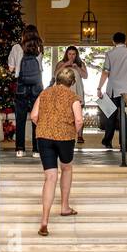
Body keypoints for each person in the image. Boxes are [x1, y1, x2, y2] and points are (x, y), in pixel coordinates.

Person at [31, 66, 84, 236]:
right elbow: (79, 120)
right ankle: (64, 207)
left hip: (43, 137)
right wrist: (74, 132)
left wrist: (45, 127)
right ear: (72, 82)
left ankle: (44, 221)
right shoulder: (73, 97)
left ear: (56, 79)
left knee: (50, 176)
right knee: (66, 168)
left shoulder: (44, 94)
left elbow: (33, 115)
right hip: (65, 138)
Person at [98, 31, 127, 151]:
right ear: (126, 41)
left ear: (113, 42)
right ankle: (123, 144)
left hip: (113, 90)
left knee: (110, 117)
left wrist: (99, 88)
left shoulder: (110, 54)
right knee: (126, 117)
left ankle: (107, 141)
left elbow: (105, 72)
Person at [12, 26, 43, 158]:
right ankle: (36, 149)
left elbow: (11, 67)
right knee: (36, 117)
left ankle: (20, 148)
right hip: (37, 85)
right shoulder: (40, 47)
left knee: (20, 118)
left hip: (21, 85)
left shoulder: (17, 48)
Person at [56, 45, 89, 144]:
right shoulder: (61, 63)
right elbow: (56, 74)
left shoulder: (80, 63)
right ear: (66, 54)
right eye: (69, 54)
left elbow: (85, 76)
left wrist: (77, 68)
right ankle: (64, 133)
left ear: (76, 55)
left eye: (73, 54)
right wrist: (65, 64)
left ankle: (80, 136)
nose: (71, 56)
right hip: (64, 90)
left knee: (78, 112)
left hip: (77, 90)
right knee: (64, 112)